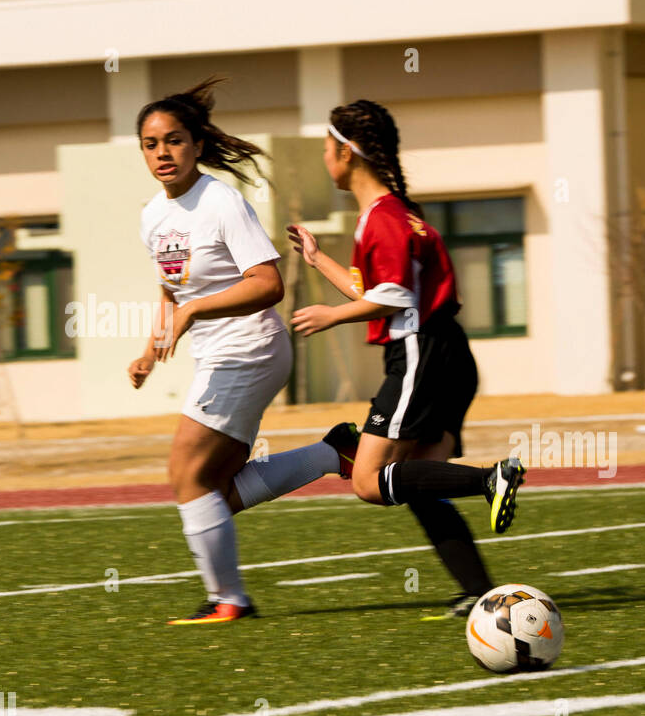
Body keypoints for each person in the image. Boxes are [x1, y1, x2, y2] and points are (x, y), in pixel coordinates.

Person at [287, 99, 525, 610]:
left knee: (368, 481)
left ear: (346, 153)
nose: (324, 157)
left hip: (419, 353)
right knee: (420, 484)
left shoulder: (384, 217)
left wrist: (329, 315)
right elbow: (373, 287)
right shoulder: (399, 214)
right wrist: (317, 258)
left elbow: (394, 295)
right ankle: (479, 591)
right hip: (444, 352)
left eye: (327, 148)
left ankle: (492, 478)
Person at [131, 77, 347, 625]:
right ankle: (331, 454)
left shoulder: (222, 202)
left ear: (197, 145)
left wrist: (194, 312)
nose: (163, 152)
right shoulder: (152, 217)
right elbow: (172, 290)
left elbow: (267, 283)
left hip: (249, 348)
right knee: (212, 494)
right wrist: (151, 351)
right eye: (152, 144)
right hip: (221, 356)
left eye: (174, 140)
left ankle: (229, 599)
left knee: (185, 470)